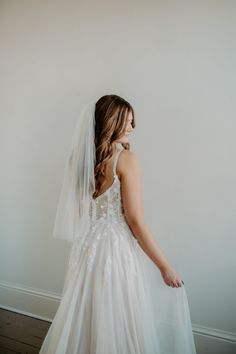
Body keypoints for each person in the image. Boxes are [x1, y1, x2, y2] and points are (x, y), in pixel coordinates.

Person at [39, 94, 197, 353]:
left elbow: (82, 210)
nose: (132, 128)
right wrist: (164, 267)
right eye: (127, 122)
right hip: (115, 249)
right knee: (119, 318)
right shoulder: (126, 160)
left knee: (89, 315)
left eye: (134, 122)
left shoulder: (81, 161)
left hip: (87, 247)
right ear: (111, 122)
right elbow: (135, 221)